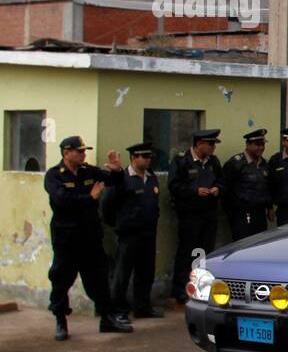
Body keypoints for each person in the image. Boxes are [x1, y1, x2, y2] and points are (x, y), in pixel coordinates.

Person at [44, 136, 130, 340]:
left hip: (90, 236)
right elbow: (62, 201)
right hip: (66, 238)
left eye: (84, 151)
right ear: (67, 153)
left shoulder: (89, 171)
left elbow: (114, 182)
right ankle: (60, 320)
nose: (83, 155)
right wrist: (90, 198)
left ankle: (107, 319)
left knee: (99, 279)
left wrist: (117, 170)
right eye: (79, 151)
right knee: (61, 279)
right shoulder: (54, 175)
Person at [103, 142, 162, 320]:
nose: (148, 160)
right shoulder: (122, 178)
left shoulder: (151, 177)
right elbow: (107, 205)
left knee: (146, 272)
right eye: (144, 157)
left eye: (149, 157)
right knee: (123, 274)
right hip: (129, 233)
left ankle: (142, 306)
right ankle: (118, 310)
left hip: (148, 232)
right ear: (134, 158)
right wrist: (117, 224)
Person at [169, 128, 222, 303]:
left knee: (205, 254)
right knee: (187, 252)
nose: (213, 148)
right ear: (199, 144)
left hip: (209, 214)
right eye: (210, 144)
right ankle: (180, 291)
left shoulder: (213, 162)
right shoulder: (182, 161)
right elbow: (174, 186)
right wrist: (195, 191)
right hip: (190, 214)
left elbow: (222, 181)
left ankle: (202, 288)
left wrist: (217, 189)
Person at [222, 128, 273, 241]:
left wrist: (269, 207)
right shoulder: (236, 163)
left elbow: (267, 187)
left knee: (259, 246)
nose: (261, 148)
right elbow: (225, 188)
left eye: (263, 145)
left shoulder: (264, 164)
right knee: (242, 246)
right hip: (242, 214)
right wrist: (232, 213)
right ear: (248, 145)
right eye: (257, 145)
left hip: (260, 213)